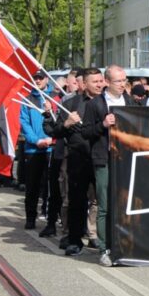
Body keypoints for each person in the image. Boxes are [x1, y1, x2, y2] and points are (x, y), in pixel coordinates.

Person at [44, 68, 104, 256]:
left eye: (101, 81)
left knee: (102, 201)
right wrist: (66, 124)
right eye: (95, 82)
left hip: (102, 158)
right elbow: (54, 132)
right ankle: (74, 239)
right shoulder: (70, 104)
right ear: (83, 84)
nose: (100, 84)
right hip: (78, 159)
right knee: (77, 200)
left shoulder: (108, 102)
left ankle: (101, 239)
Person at [82, 65, 137, 266]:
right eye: (118, 81)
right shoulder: (95, 104)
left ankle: (124, 245)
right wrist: (103, 125)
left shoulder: (129, 101)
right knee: (105, 204)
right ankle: (105, 248)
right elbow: (86, 132)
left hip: (125, 159)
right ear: (107, 82)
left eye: (124, 80)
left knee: (124, 203)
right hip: (104, 159)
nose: (122, 84)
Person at [19, 69, 54, 230]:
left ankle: (50, 219)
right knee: (32, 186)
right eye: (35, 78)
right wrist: (36, 140)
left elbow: (59, 120)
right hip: (33, 150)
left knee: (51, 187)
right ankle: (30, 217)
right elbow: (24, 124)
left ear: (47, 79)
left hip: (51, 149)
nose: (38, 81)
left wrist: (51, 139)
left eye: (40, 78)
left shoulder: (55, 98)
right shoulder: (28, 100)